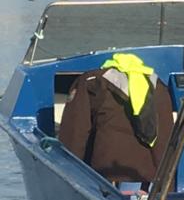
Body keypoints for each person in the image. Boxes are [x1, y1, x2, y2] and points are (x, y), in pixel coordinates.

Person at [58, 52, 174, 189]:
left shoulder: (92, 81)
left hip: (109, 173)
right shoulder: (159, 86)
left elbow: (75, 133)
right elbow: (167, 137)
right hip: (152, 178)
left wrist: (66, 169)